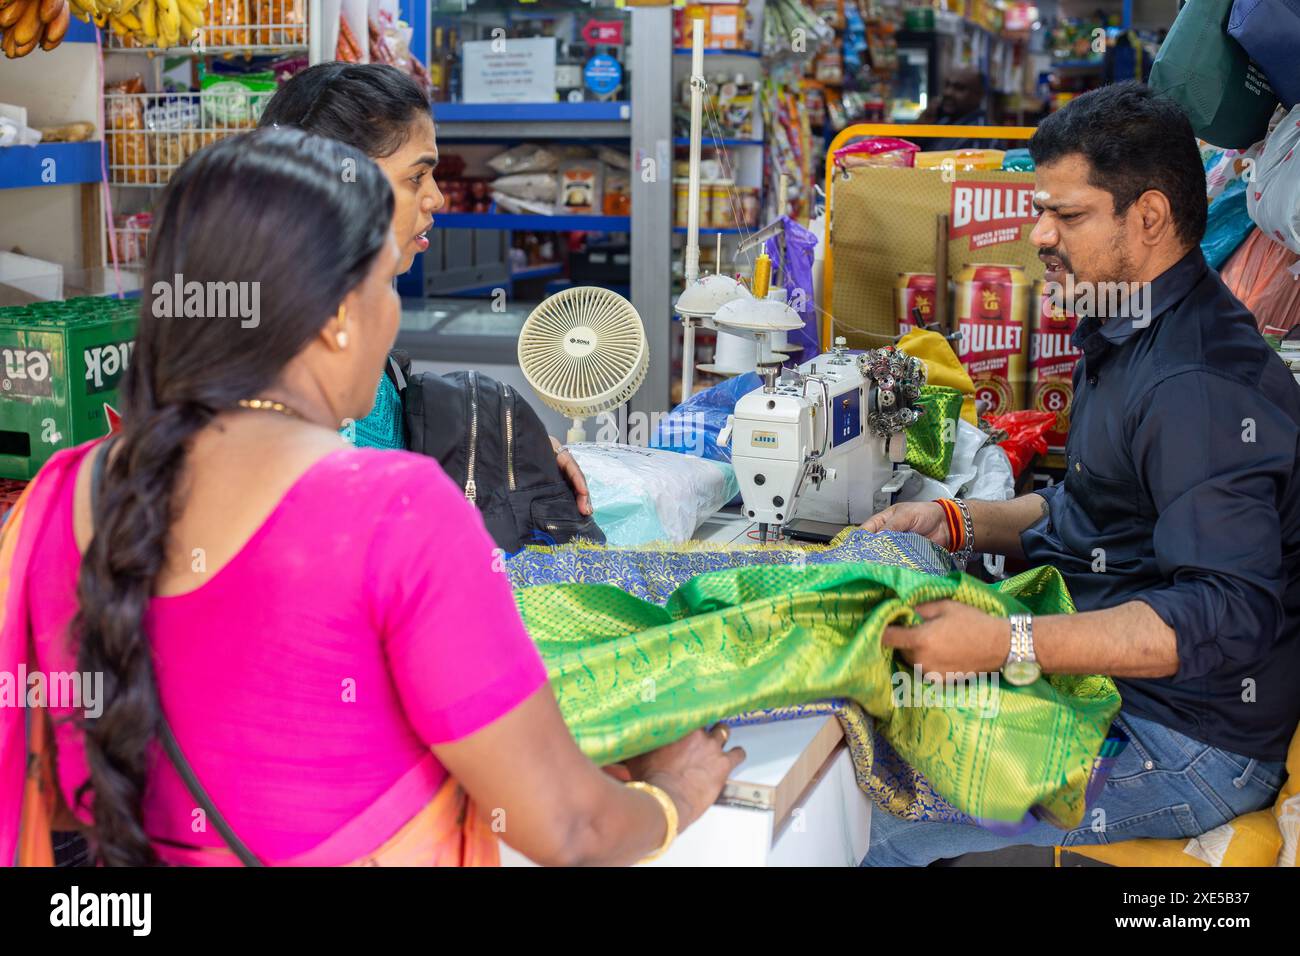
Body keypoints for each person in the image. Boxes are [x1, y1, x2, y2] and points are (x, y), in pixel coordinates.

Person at [0, 128, 742, 867]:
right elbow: (568, 829)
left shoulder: (60, 497)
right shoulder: (398, 512)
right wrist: (674, 793)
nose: (393, 316)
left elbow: (64, 788)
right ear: (333, 315)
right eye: (387, 284)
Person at [861, 81, 1299, 865]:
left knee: (865, 817)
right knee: (860, 718)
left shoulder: (1194, 385)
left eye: (1067, 216)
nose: (1038, 235)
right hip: (1120, 690)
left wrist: (1002, 642)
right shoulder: (1124, 323)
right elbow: (1093, 505)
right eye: (1039, 210)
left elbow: (1223, 615)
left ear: (1151, 217)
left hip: (1185, 740)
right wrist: (958, 523)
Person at [258, 63, 592, 517]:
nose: (436, 197)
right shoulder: (285, 360)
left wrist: (511, 450)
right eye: (416, 178)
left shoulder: (350, 326)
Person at [916, 65, 989, 151]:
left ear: (978, 95)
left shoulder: (982, 133)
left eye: (959, 88)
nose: (948, 93)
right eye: (947, 85)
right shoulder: (942, 120)